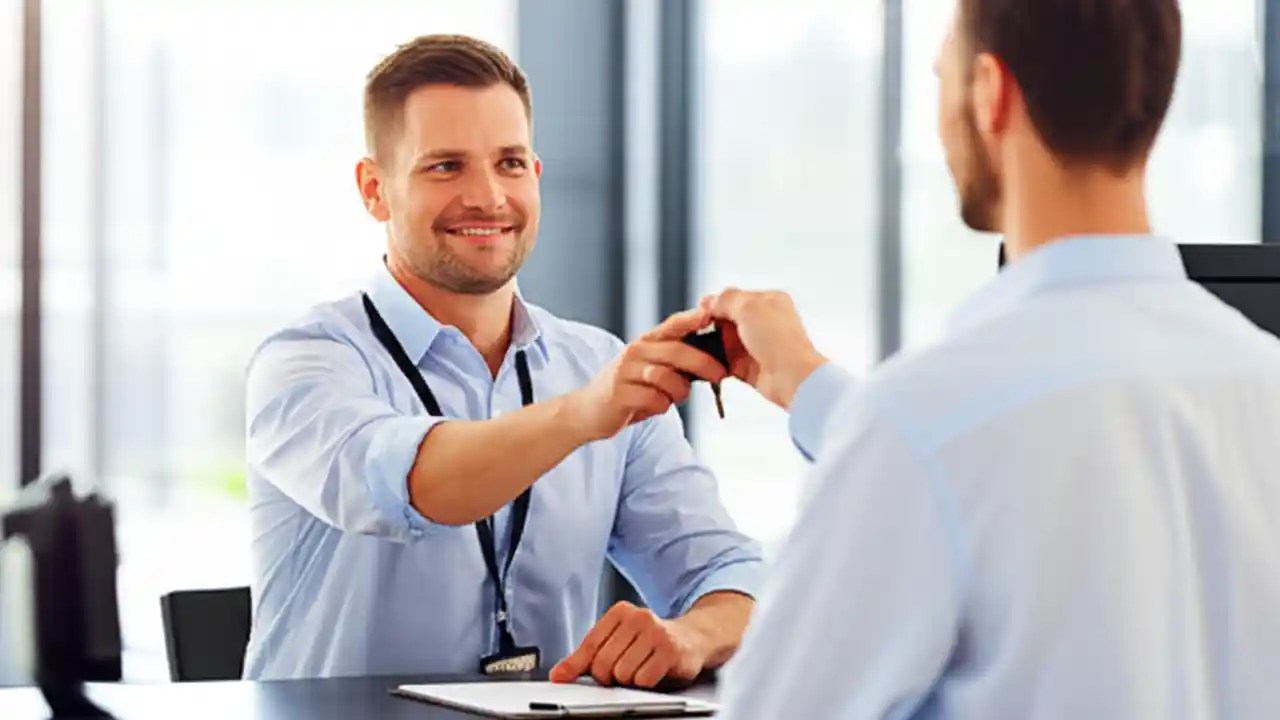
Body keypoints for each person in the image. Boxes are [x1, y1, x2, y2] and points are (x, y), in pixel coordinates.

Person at [708, 0, 1280, 717]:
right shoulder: (1263, 382)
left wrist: (866, 426)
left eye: (941, 76)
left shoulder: (920, 420)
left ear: (990, 92)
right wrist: (817, 391)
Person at [241, 34, 761, 685]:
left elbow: (730, 576)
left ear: (534, 176)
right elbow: (415, 485)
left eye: (510, 163)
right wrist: (586, 414)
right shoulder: (306, 363)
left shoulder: (595, 365)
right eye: (445, 166)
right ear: (374, 190)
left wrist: (690, 635)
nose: (488, 196)